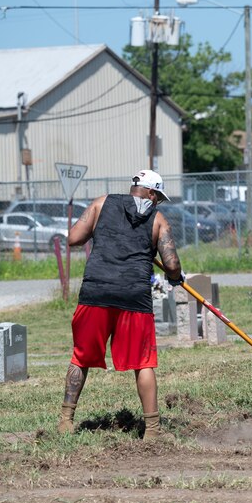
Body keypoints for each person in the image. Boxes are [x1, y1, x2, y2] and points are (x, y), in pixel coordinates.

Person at [57, 170, 184, 441]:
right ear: (150, 193)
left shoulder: (101, 204)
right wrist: (175, 277)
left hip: (95, 293)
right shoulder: (158, 219)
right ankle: (152, 431)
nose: (158, 202)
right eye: (158, 197)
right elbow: (171, 264)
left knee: (81, 356)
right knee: (143, 363)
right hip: (134, 298)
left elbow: (73, 237)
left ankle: (66, 421)